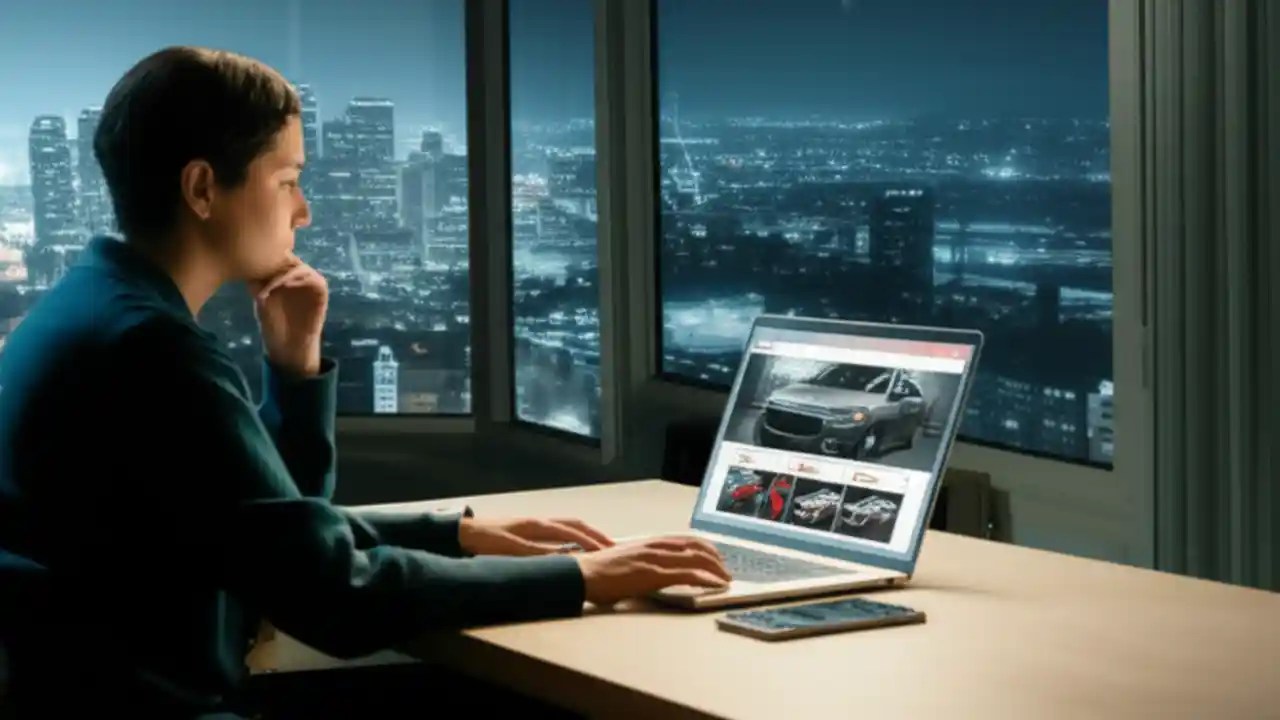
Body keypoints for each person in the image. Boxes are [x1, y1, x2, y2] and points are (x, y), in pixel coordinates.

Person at [0, 46, 730, 718]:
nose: (304, 210)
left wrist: (453, 529)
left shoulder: (87, 307)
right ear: (201, 188)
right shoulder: (151, 347)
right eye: (287, 180)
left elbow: (274, 533)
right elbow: (331, 596)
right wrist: (583, 575)